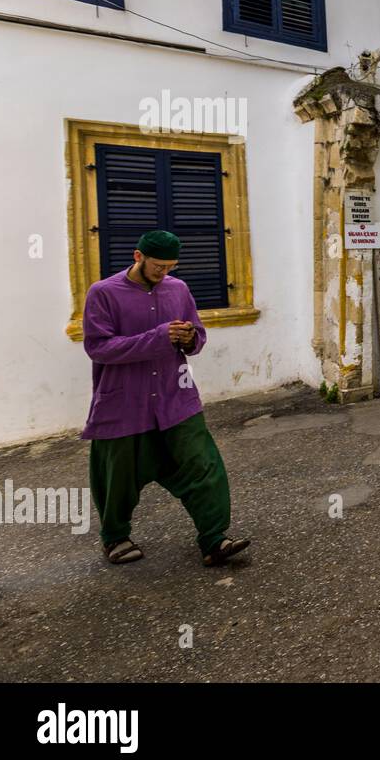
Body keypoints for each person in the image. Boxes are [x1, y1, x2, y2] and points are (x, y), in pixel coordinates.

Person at [81, 230, 250, 567]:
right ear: (137, 256)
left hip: (177, 397)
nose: (164, 273)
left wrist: (189, 339)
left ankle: (214, 539)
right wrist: (158, 337)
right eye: (158, 266)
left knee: (204, 465)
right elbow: (98, 347)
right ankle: (115, 537)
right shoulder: (103, 293)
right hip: (124, 402)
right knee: (117, 475)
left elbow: (197, 336)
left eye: (170, 267)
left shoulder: (179, 289)